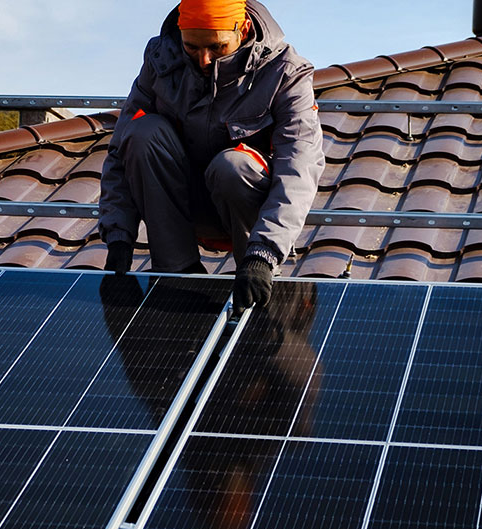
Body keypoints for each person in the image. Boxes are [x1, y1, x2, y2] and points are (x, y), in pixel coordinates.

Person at [99, 0, 326, 313]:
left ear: (243, 29)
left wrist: (264, 252)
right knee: (142, 132)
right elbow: (120, 150)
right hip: (181, 204)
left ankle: (255, 282)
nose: (204, 60)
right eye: (191, 46)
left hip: (245, 205)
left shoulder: (284, 72)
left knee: (234, 166)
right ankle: (176, 278)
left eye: (217, 47)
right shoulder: (160, 61)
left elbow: (299, 166)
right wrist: (119, 236)